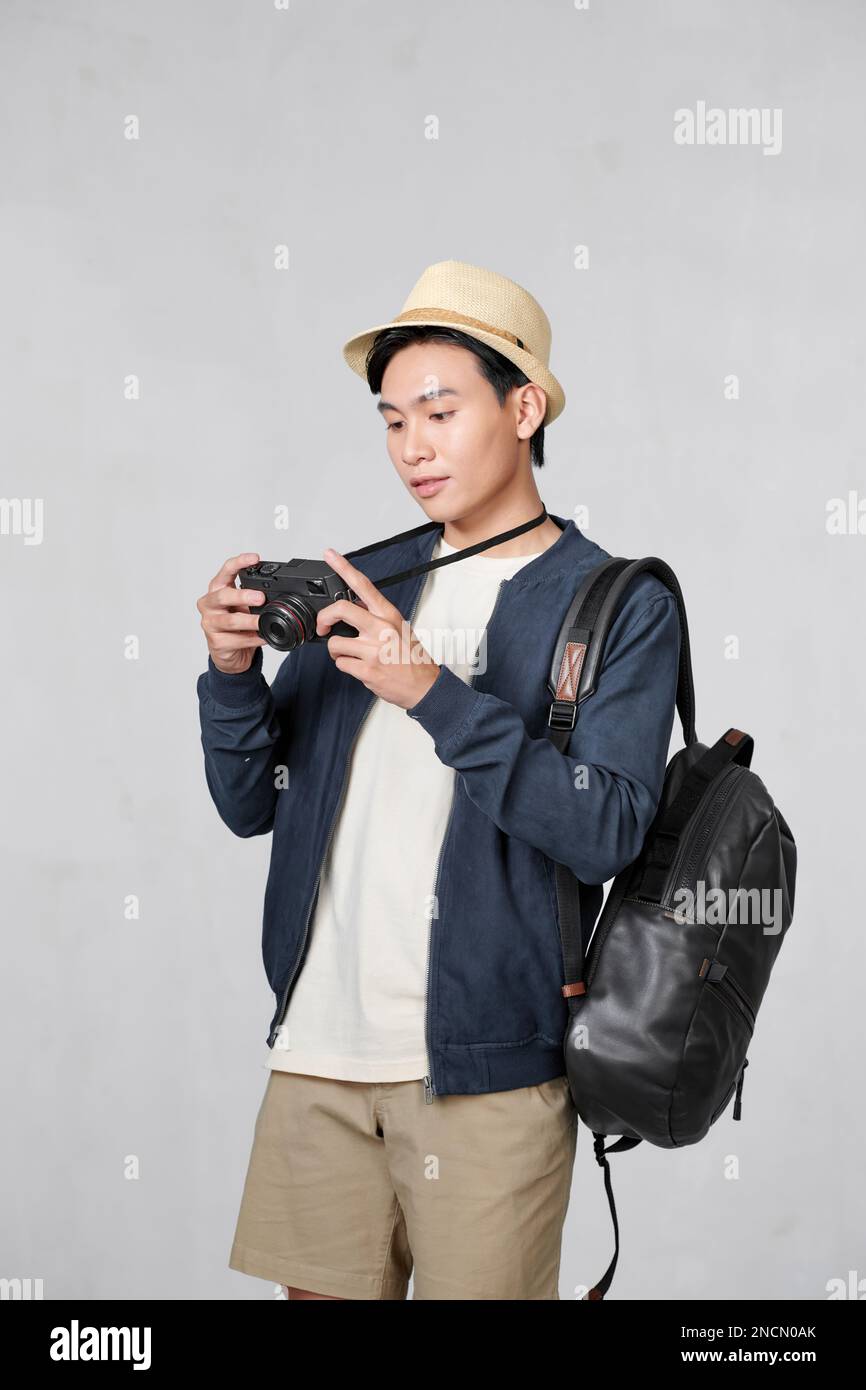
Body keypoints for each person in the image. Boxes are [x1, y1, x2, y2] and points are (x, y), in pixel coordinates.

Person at [195, 259, 681, 1299]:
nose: (410, 446)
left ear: (523, 405)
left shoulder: (610, 604)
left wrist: (430, 693)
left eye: (437, 410)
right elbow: (250, 806)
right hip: (319, 1054)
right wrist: (232, 676)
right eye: (388, 419)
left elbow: (605, 831)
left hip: (490, 1073)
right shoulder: (371, 579)